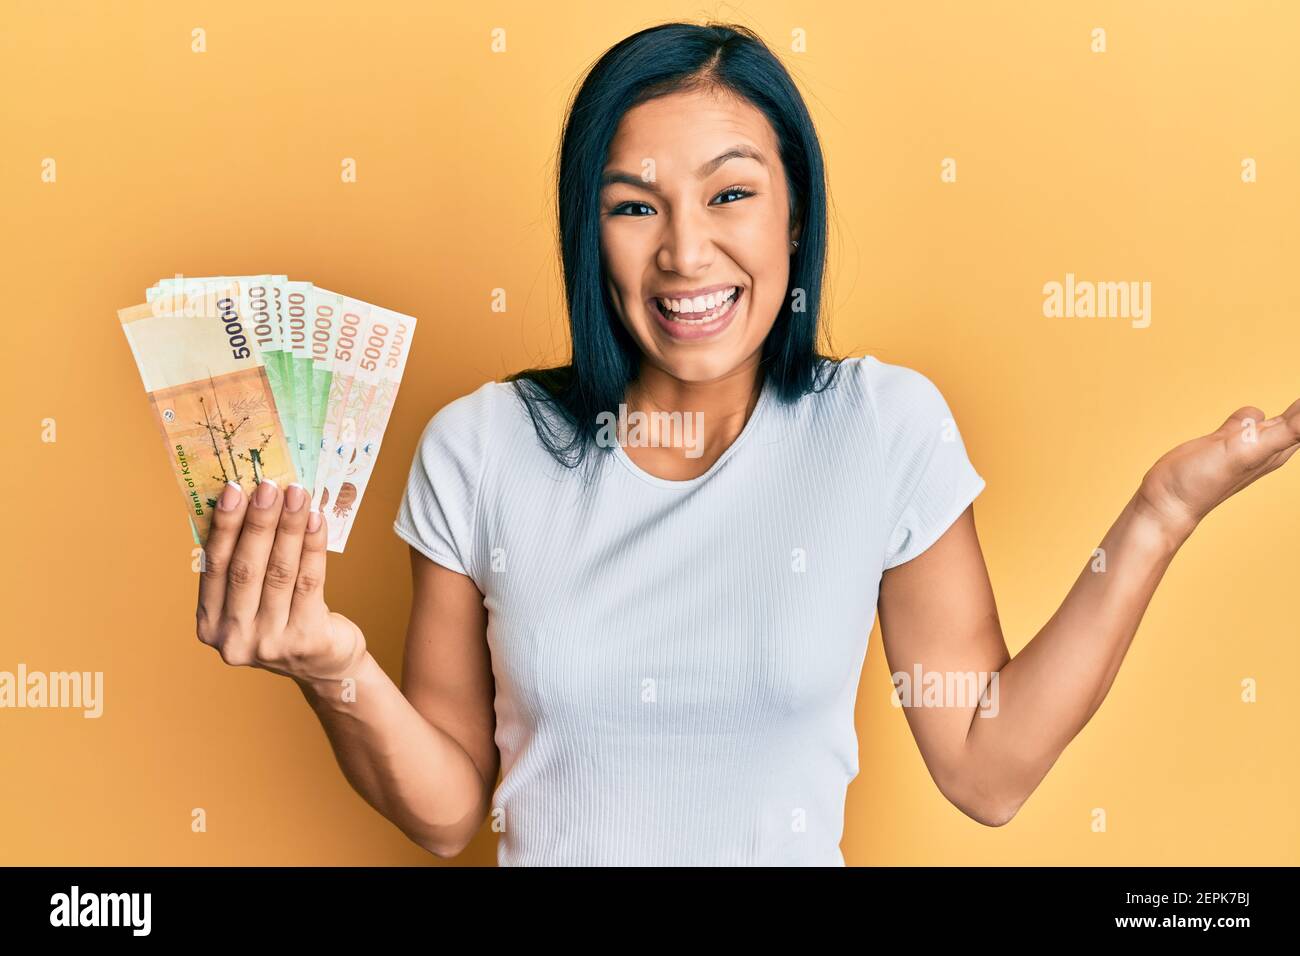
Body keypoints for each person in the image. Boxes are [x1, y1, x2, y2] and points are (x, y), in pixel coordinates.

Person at [193, 21, 1300, 866]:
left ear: (794, 217)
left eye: (731, 193)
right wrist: (330, 669)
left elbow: (987, 766)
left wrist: (1160, 512)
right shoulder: (480, 448)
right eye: (634, 206)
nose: (685, 252)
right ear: (590, 231)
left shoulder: (879, 426)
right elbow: (444, 812)